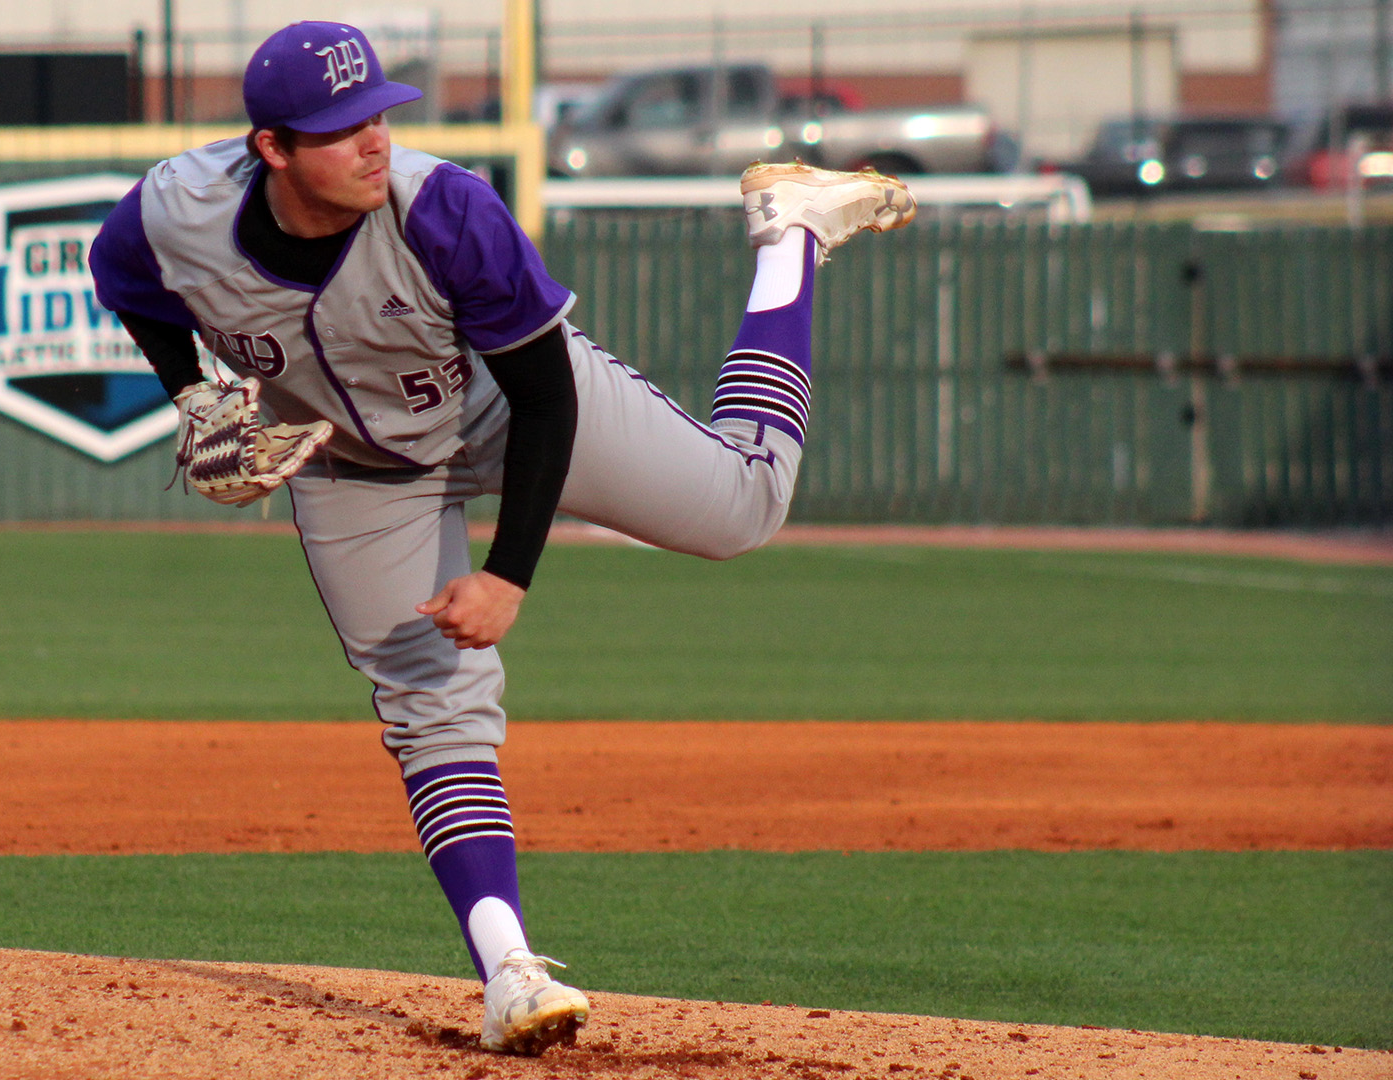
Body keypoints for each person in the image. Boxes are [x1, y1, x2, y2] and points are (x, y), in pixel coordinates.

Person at [89, 20, 913, 1056]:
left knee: (746, 506)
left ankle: (789, 237)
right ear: (273, 149)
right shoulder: (179, 209)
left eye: (379, 114)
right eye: (342, 129)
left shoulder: (444, 210)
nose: (374, 140)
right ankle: (510, 970)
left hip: (504, 408)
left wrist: (507, 574)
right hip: (357, 471)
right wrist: (191, 394)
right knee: (431, 709)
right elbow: (123, 278)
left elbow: (545, 398)